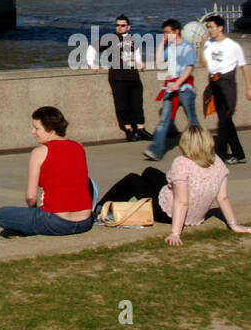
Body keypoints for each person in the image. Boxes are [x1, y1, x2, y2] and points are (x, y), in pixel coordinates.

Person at [97, 125, 251, 245]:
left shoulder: (182, 163)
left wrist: (175, 233)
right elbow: (222, 197)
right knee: (150, 171)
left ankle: (99, 207)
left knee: (132, 179)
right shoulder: (217, 162)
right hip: (196, 215)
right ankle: (106, 204)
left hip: (168, 212)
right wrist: (234, 225)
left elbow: (182, 201)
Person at [0, 106, 94, 238]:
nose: (33, 132)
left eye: (37, 128)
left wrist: (33, 211)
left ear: (50, 130)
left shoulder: (40, 152)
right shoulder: (78, 147)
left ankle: (24, 230)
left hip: (56, 222)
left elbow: (31, 197)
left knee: (1, 214)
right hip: (85, 221)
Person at [144, 19, 199, 163]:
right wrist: (163, 42)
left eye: (168, 32)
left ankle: (199, 147)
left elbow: (189, 68)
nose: (166, 34)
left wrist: (178, 83)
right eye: (164, 32)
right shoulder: (171, 48)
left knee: (192, 120)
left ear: (177, 31)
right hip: (171, 88)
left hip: (185, 88)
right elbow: (159, 60)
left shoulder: (187, 47)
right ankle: (156, 150)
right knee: (164, 120)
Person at [200, 15, 251, 165]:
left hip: (227, 85)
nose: (209, 30)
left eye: (212, 27)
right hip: (214, 84)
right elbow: (203, 63)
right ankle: (239, 154)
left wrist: (249, 87)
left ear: (220, 28)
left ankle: (220, 154)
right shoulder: (209, 44)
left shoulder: (232, 45)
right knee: (226, 120)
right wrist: (202, 46)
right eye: (208, 27)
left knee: (223, 121)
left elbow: (244, 67)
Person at [91, 13, 149, 141]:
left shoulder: (134, 40)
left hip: (134, 77)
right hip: (117, 78)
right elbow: (92, 48)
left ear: (129, 27)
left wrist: (140, 62)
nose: (119, 27)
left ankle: (141, 129)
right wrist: (93, 63)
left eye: (123, 25)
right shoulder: (110, 38)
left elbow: (137, 55)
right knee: (122, 106)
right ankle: (129, 130)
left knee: (137, 105)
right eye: (117, 25)